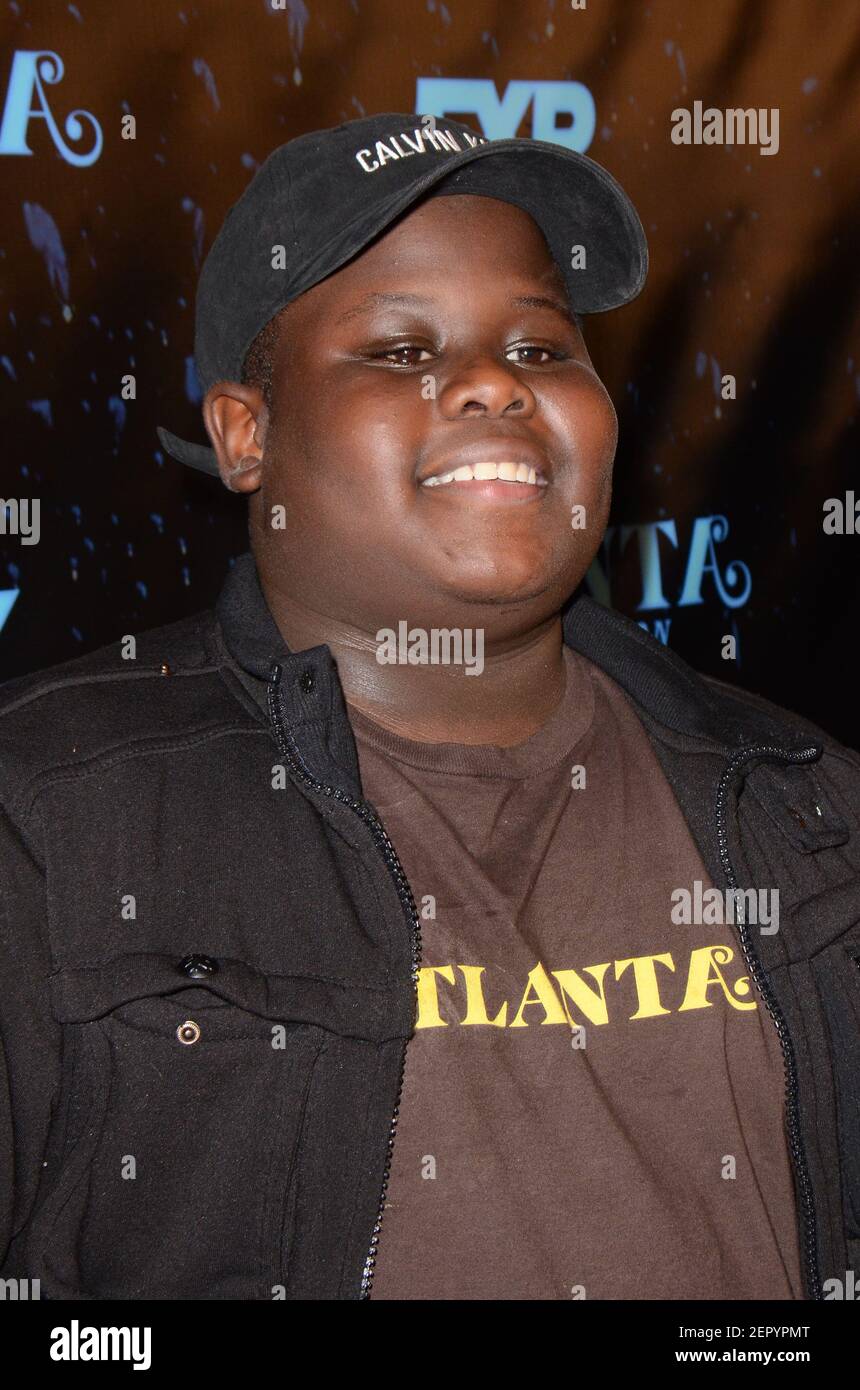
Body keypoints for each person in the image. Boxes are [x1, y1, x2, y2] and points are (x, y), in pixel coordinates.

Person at [1, 112, 858, 1302]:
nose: (495, 384)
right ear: (246, 434)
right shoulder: (48, 815)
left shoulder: (803, 796)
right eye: (401, 351)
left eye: (544, 349)